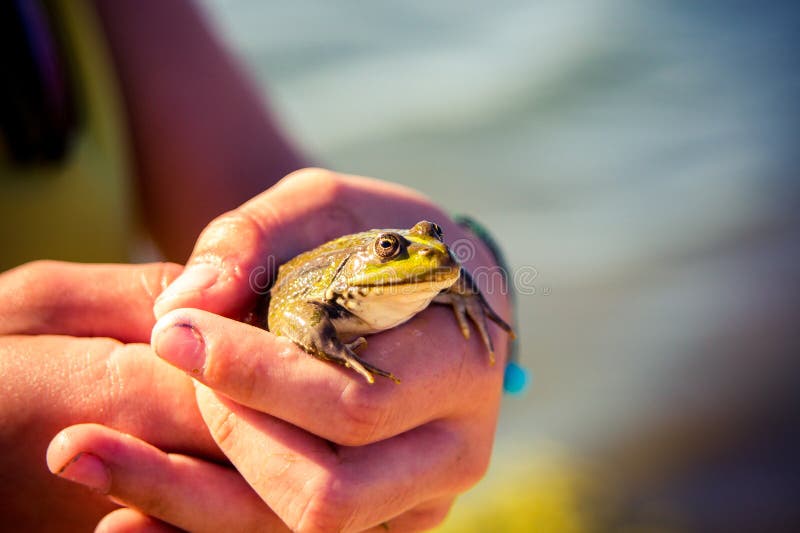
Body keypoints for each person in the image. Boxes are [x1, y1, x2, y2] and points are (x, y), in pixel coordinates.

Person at [0, 2, 512, 531]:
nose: (428, 255)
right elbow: (293, 310)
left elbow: (262, 200)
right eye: (391, 248)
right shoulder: (331, 299)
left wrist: (494, 305)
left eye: (430, 243)